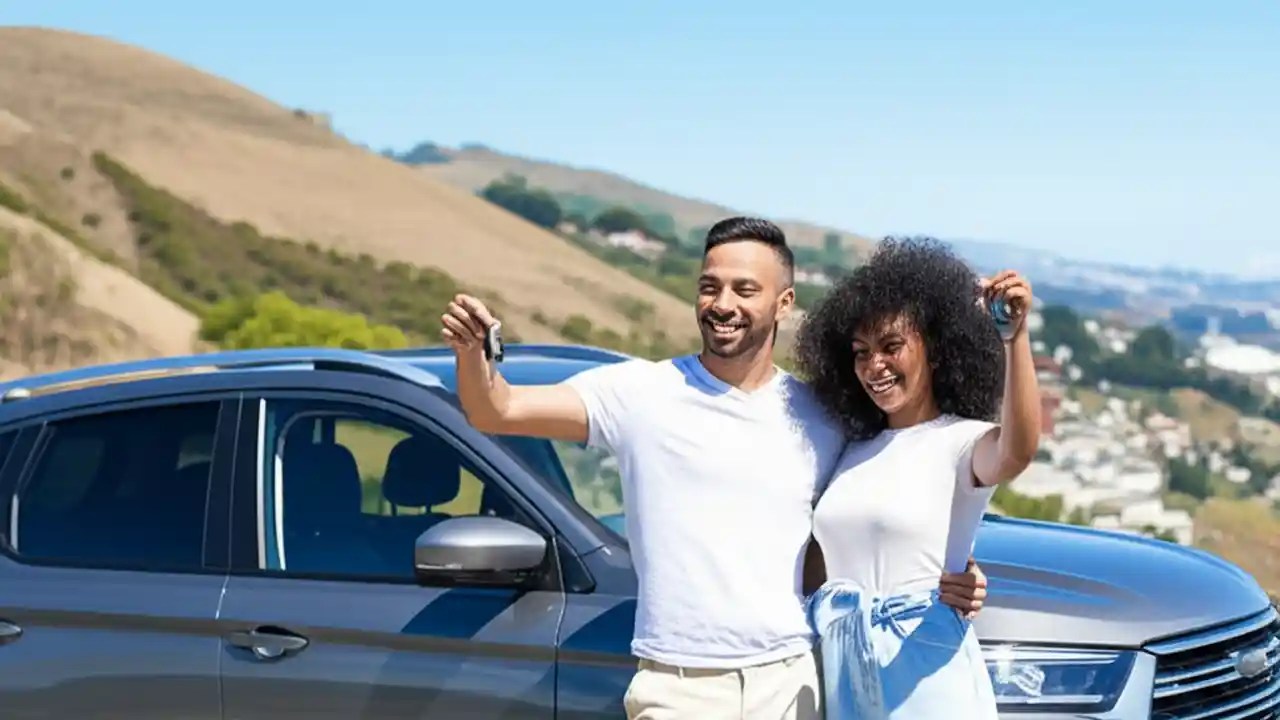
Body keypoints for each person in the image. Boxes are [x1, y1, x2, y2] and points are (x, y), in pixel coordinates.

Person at [440, 217, 990, 720]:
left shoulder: (823, 415)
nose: (722, 303)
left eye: (745, 289)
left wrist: (952, 576)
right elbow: (497, 408)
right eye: (709, 286)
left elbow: (880, 506)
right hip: (679, 688)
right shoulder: (639, 393)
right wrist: (473, 355)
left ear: (784, 303)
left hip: (794, 684)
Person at [792, 237, 1041, 718]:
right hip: (848, 673)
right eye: (861, 352)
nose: (873, 366)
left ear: (937, 352)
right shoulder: (851, 450)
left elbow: (1018, 450)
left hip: (928, 677)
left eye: (891, 347)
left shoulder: (963, 442)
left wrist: (1016, 340)